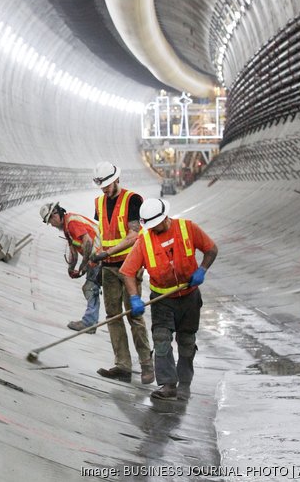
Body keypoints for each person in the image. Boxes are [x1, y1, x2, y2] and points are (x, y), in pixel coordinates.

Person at [119, 198, 218, 401]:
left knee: (187, 340)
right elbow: (128, 272)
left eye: (156, 225)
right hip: (162, 299)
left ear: (165, 218)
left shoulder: (187, 228)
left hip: (189, 297)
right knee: (162, 339)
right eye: (150, 226)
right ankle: (168, 384)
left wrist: (202, 269)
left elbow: (211, 249)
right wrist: (134, 298)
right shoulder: (144, 242)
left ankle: (185, 381)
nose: (154, 229)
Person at [88, 161, 154, 384]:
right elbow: (101, 233)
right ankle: (123, 365)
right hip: (108, 268)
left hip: (129, 266)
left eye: (108, 184)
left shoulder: (133, 200)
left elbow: (134, 235)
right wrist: (98, 257)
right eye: (102, 186)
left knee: (134, 316)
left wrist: (107, 253)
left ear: (117, 179)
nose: (105, 189)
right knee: (113, 316)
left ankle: (147, 364)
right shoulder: (99, 202)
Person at [40, 202, 103, 333]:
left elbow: (88, 242)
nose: (51, 224)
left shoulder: (72, 223)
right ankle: (91, 322)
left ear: (56, 214)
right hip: (96, 257)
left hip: (100, 256)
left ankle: (89, 323)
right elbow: (73, 250)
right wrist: (71, 268)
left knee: (90, 288)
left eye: (51, 219)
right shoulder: (67, 227)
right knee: (90, 288)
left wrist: (83, 266)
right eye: (49, 221)